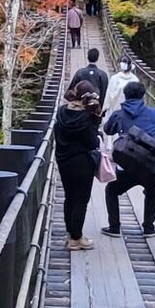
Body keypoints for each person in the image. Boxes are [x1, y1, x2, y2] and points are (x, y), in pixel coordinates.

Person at [101, 82, 155, 238]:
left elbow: (107, 130)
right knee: (152, 190)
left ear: (125, 95)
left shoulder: (118, 114)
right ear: (143, 95)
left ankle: (114, 227)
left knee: (111, 190)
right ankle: (149, 227)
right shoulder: (154, 113)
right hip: (148, 165)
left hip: (126, 165)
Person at [53, 80, 102, 250]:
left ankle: (70, 233)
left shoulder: (61, 113)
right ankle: (76, 238)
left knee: (69, 197)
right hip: (82, 162)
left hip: (63, 161)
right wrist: (95, 121)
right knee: (81, 199)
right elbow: (92, 143)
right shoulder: (86, 118)